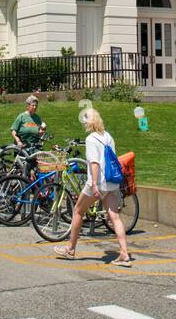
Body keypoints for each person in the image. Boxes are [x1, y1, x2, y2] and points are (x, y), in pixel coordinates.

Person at [54, 108, 132, 266]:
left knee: (77, 211)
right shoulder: (108, 136)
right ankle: (124, 253)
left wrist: (94, 184)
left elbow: (94, 163)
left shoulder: (91, 139)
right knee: (115, 216)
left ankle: (70, 248)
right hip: (111, 182)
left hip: (98, 182)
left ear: (88, 123)